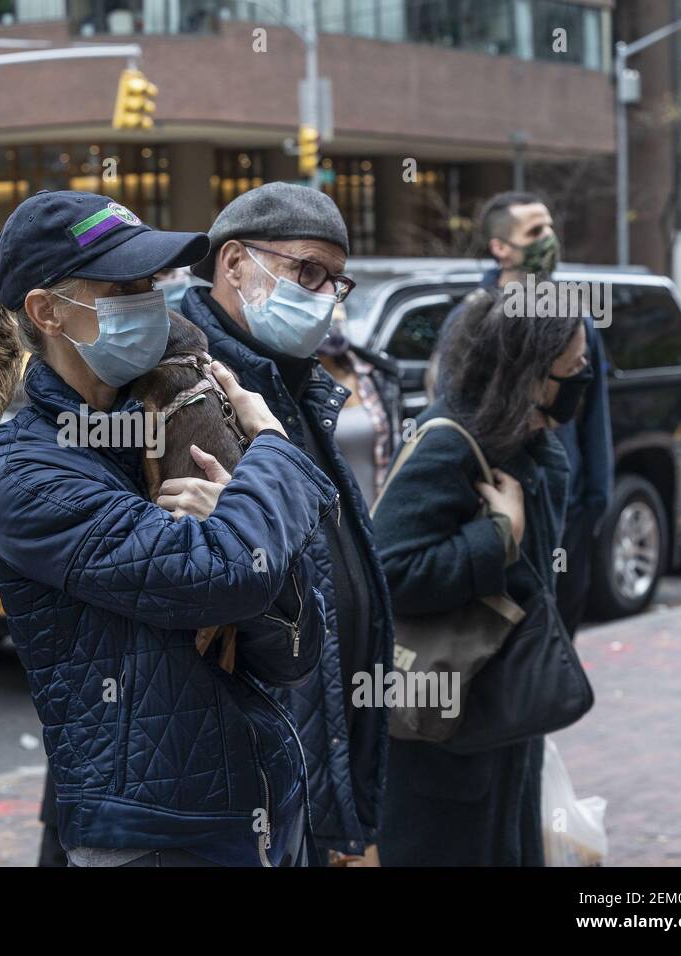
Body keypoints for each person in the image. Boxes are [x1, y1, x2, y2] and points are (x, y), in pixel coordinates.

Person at [0, 189, 335, 867]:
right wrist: (272, 448)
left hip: (254, 811)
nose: (152, 301)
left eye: (153, 281)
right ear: (48, 312)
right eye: (124, 285)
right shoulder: (26, 474)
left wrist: (244, 523)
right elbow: (225, 575)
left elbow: (292, 648)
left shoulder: (164, 429)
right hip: (155, 839)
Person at [180, 182, 392, 865]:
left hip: (305, 773)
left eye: (337, 280)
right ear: (233, 262)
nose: (325, 295)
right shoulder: (187, 383)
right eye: (307, 271)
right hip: (241, 784)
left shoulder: (292, 379)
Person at [372, 290, 588, 866]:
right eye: (573, 369)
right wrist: (496, 537)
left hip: (505, 710)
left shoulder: (536, 441)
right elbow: (389, 569)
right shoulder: (449, 441)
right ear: (528, 374)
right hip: (444, 724)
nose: (583, 379)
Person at [433, 191, 612, 637]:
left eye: (549, 227)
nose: (548, 238)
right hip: (495, 515)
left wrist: (594, 502)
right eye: (534, 231)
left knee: (555, 649)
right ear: (500, 246)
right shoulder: (471, 318)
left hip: (564, 513)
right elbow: (453, 416)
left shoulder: (574, 319)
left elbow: (594, 415)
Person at [314, 304, 404, 509]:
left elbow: (398, 441)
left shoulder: (376, 375)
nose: (332, 327)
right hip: (334, 518)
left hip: (383, 509)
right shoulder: (297, 386)